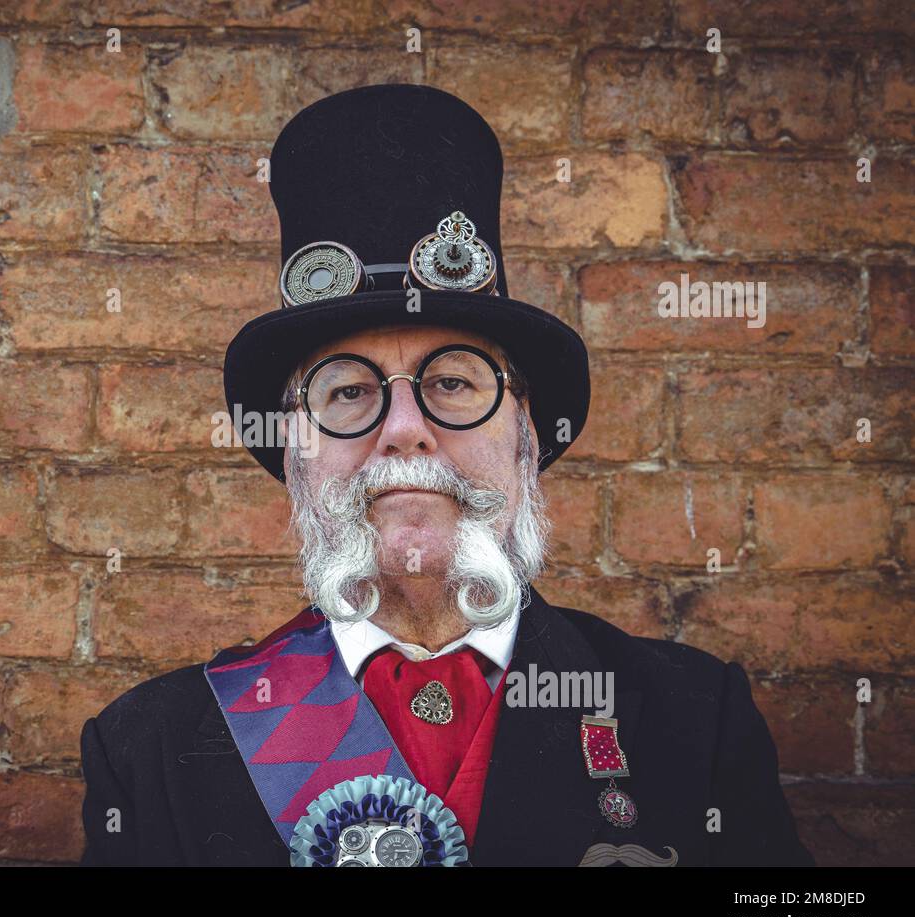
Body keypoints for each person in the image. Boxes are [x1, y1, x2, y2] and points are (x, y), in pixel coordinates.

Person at [79, 83, 813, 867]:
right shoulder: (149, 749)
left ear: (525, 431)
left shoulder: (696, 721)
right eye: (350, 392)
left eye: (454, 383)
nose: (403, 431)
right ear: (296, 447)